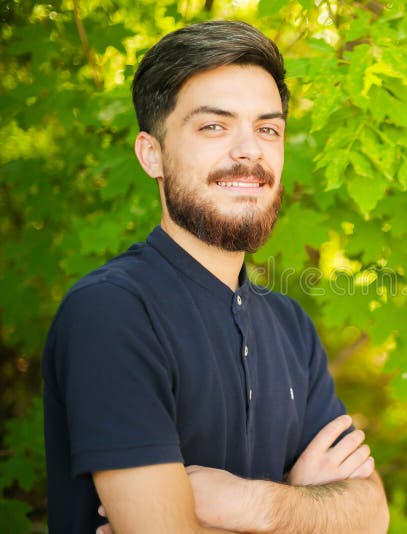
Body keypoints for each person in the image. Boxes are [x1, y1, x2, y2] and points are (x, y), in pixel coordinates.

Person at [42, 20, 389, 533]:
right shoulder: (112, 312)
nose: (250, 150)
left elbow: (373, 514)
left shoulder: (290, 326)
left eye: (268, 129)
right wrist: (305, 503)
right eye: (214, 126)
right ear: (152, 154)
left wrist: (252, 505)